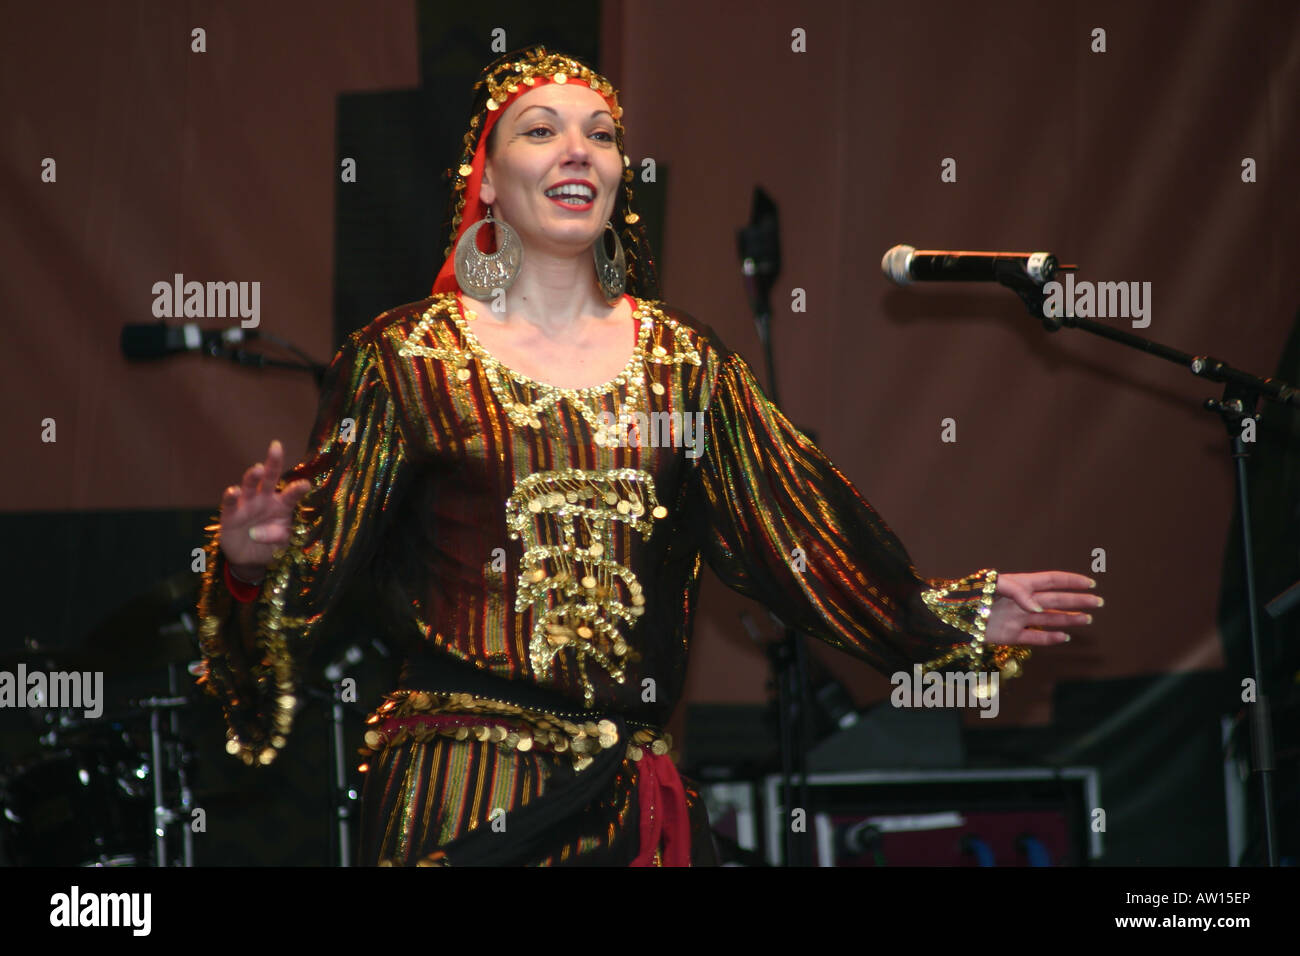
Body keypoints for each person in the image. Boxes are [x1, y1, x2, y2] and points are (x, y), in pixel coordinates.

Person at [194, 44, 1102, 866]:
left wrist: (945, 617)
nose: (577, 150)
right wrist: (245, 562)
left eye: (601, 135)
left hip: (633, 801)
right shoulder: (403, 360)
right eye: (541, 131)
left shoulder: (685, 364)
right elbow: (306, 572)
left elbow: (797, 538)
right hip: (466, 789)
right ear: (486, 181)